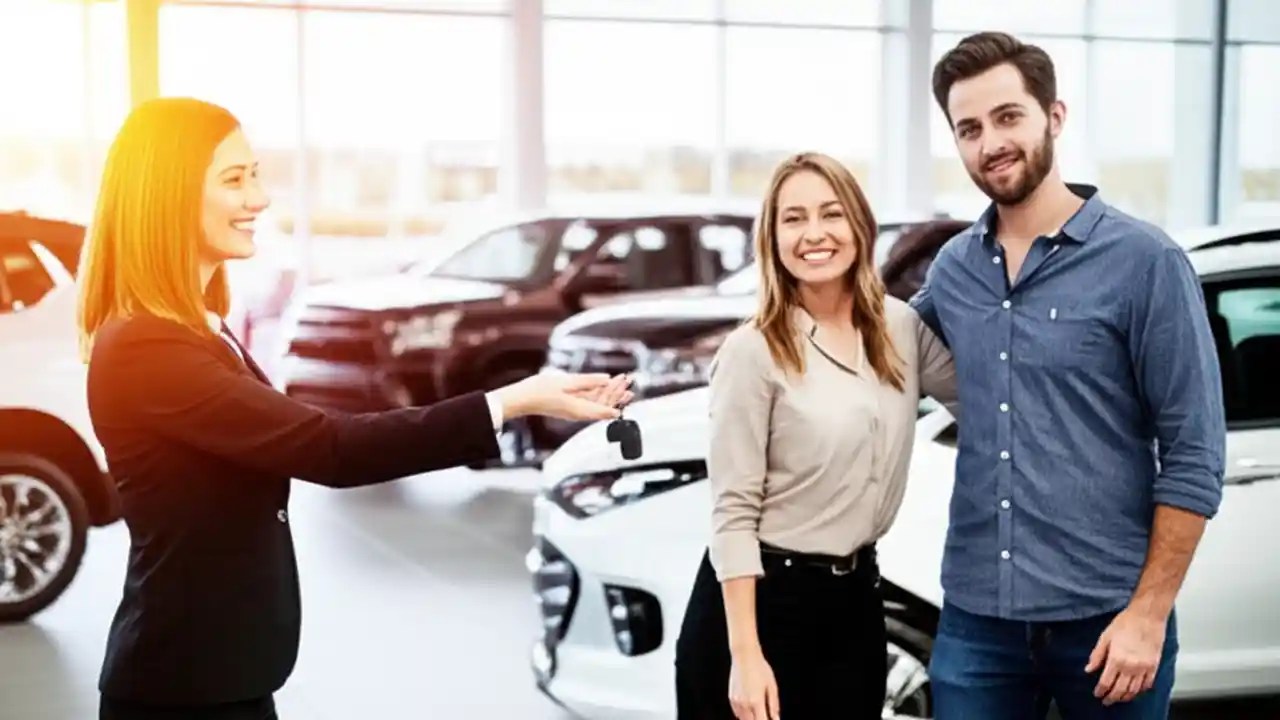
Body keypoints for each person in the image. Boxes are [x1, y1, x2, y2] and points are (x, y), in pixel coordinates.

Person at [76, 97, 633, 720]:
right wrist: (513, 400)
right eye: (234, 180)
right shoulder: (148, 347)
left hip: (224, 675)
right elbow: (331, 448)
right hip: (180, 690)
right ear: (168, 196)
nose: (259, 198)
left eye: (255, 174)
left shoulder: (198, 326)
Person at [912, 31, 1226, 719]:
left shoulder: (1145, 262)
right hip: (976, 624)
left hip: (1109, 620)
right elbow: (873, 356)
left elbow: (1196, 453)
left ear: (1054, 116)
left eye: (1008, 116)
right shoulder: (955, 270)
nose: (991, 142)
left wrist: (1149, 614)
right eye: (969, 128)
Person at [673, 152, 957, 720]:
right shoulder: (753, 351)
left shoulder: (900, 327)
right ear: (772, 238)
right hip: (763, 609)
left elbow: (985, 403)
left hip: (856, 602)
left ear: (860, 224)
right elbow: (733, 514)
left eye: (831, 213)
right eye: (794, 218)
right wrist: (745, 656)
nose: (814, 234)